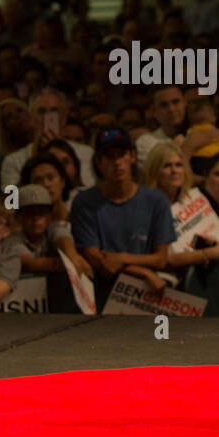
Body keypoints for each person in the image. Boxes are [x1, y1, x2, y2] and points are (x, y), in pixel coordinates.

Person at [70, 126, 176, 307]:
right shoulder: (84, 202)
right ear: (99, 162)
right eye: (110, 156)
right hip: (102, 294)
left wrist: (122, 258)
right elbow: (97, 260)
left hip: (145, 296)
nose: (117, 162)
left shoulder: (156, 200)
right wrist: (144, 272)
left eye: (121, 155)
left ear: (132, 156)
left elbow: (160, 258)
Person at [140, 142, 219, 273]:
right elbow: (161, 259)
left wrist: (210, 244)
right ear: (154, 171)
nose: (174, 171)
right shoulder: (145, 209)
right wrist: (207, 253)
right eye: (167, 166)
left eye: (178, 165)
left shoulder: (192, 197)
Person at [14, 183, 91, 278]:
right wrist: (68, 263)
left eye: (41, 212)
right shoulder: (13, 240)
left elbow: (63, 239)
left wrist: (74, 257)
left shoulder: (52, 229)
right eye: (29, 213)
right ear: (18, 217)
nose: (36, 218)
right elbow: (30, 264)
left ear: (49, 215)